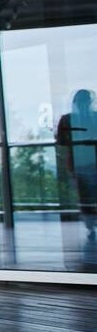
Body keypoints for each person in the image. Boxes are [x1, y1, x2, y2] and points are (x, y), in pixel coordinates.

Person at [56, 88, 97, 239]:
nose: (84, 104)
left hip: (87, 164)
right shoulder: (67, 120)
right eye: (82, 101)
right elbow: (61, 141)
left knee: (86, 195)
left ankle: (90, 225)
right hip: (79, 165)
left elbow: (61, 141)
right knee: (85, 196)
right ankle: (90, 225)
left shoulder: (69, 119)